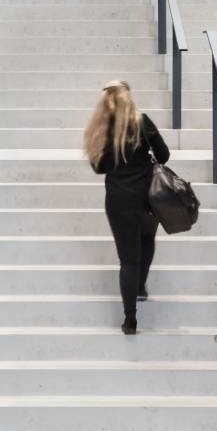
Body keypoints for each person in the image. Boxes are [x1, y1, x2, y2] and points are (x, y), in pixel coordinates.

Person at [83, 81, 170, 334]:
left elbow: (99, 168)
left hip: (118, 200)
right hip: (148, 197)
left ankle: (130, 319)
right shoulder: (143, 122)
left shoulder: (101, 129)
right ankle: (141, 287)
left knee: (127, 260)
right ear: (129, 98)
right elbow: (163, 156)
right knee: (147, 238)